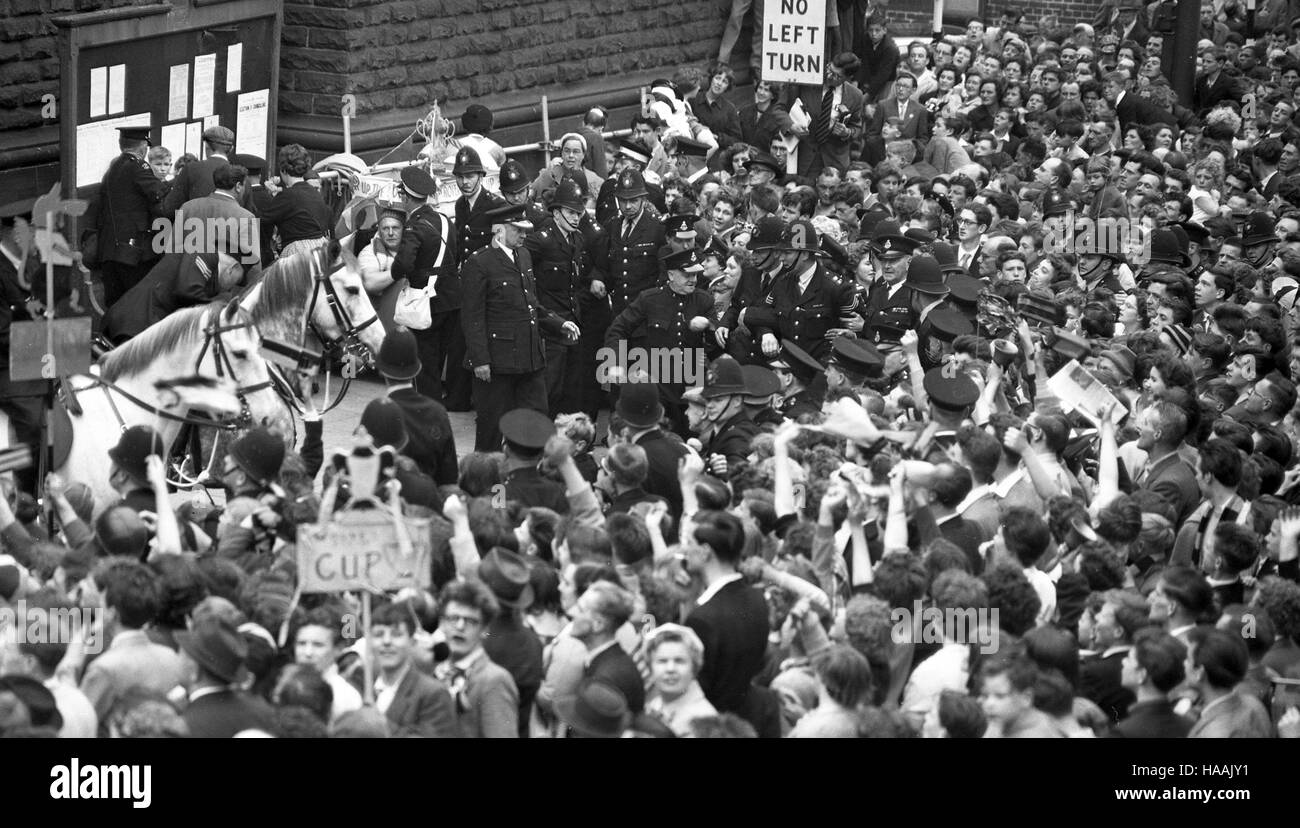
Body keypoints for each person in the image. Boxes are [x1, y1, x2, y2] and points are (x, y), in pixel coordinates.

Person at [461, 202, 579, 451]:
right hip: (497, 362)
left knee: (536, 416)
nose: (525, 235)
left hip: (529, 358)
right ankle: (488, 482)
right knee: (491, 429)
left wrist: (558, 324)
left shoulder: (523, 255)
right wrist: (480, 359)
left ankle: (523, 474)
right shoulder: (480, 263)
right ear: (500, 231)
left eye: (526, 230)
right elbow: (472, 317)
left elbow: (531, 304)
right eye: (519, 230)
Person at [683, 509, 768, 721]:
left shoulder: (702, 619)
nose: (684, 550)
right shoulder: (758, 598)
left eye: (688, 543)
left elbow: (698, 689)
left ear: (705, 552)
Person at [390, 165, 464, 406]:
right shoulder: (444, 221)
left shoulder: (414, 226)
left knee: (425, 365)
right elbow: (457, 253)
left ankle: (427, 413)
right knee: (439, 357)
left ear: (405, 197)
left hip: (425, 303)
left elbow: (401, 265)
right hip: (450, 300)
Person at [523, 178, 589, 416]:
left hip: (573, 322)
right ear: (556, 212)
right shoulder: (541, 241)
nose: (575, 218)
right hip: (550, 327)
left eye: (579, 213)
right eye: (570, 212)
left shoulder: (577, 239)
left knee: (571, 389)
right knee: (549, 389)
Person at [434, 579, 520, 738]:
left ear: (484, 629)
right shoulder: (437, 671)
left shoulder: (494, 679)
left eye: (471, 621)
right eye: (453, 618)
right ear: (442, 623)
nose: (460, 627)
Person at [94, 125, 169, 306]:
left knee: (115, 304)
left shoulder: (113, 169)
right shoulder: (138, 167)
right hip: (133, 251)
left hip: (110, 249)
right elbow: (159, 193)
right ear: (143, 147)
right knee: (137, 303)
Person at [375, 326, 458, 487]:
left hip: (390, 501)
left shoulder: (377, 411)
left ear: (382, 371)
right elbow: (449, 475)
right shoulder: (437, 412)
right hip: (428, 500)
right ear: (416, 370)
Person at [370, 598, 458, 738]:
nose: (386, 642)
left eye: (396, 634)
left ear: (412, 641)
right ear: (369, 642)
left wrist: (374, 722)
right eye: (379, 635)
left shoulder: (433, 694)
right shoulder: (362, 688)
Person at [176, 616, 276, 738]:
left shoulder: (183, 724)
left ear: (194, 670)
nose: (176, 660)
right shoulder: (264, 712)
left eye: (181, 655)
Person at [566, 579, 645, 715]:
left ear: (598, 624)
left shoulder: (605, 679)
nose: (571, 612)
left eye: (580, 609)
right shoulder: (611, 661)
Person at [256, 144, 333, 259]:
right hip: (321, 251)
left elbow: (261, 220)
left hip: (299, 254)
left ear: (283, 170)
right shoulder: (314, 193)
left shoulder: (288, 195)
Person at [644, 623, 716, 736]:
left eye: (679, 661)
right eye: (662, 661)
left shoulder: (704, 722)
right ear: (650, 667)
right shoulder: (654, 705)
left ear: (694, 667)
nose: (670, 669)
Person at [162, 125, 234, 216]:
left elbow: (170, 209)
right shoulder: (242, 177)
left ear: (206, 146)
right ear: (231, 149)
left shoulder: (191, 169)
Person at [358, 208, 407, 334]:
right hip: (381, 326)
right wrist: (400, 269)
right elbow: (371, 284)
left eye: (395, 228)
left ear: (403, 230)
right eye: (385, 228)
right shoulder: (369, 252)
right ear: (379, 230)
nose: (390, 233)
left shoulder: (413, 249)